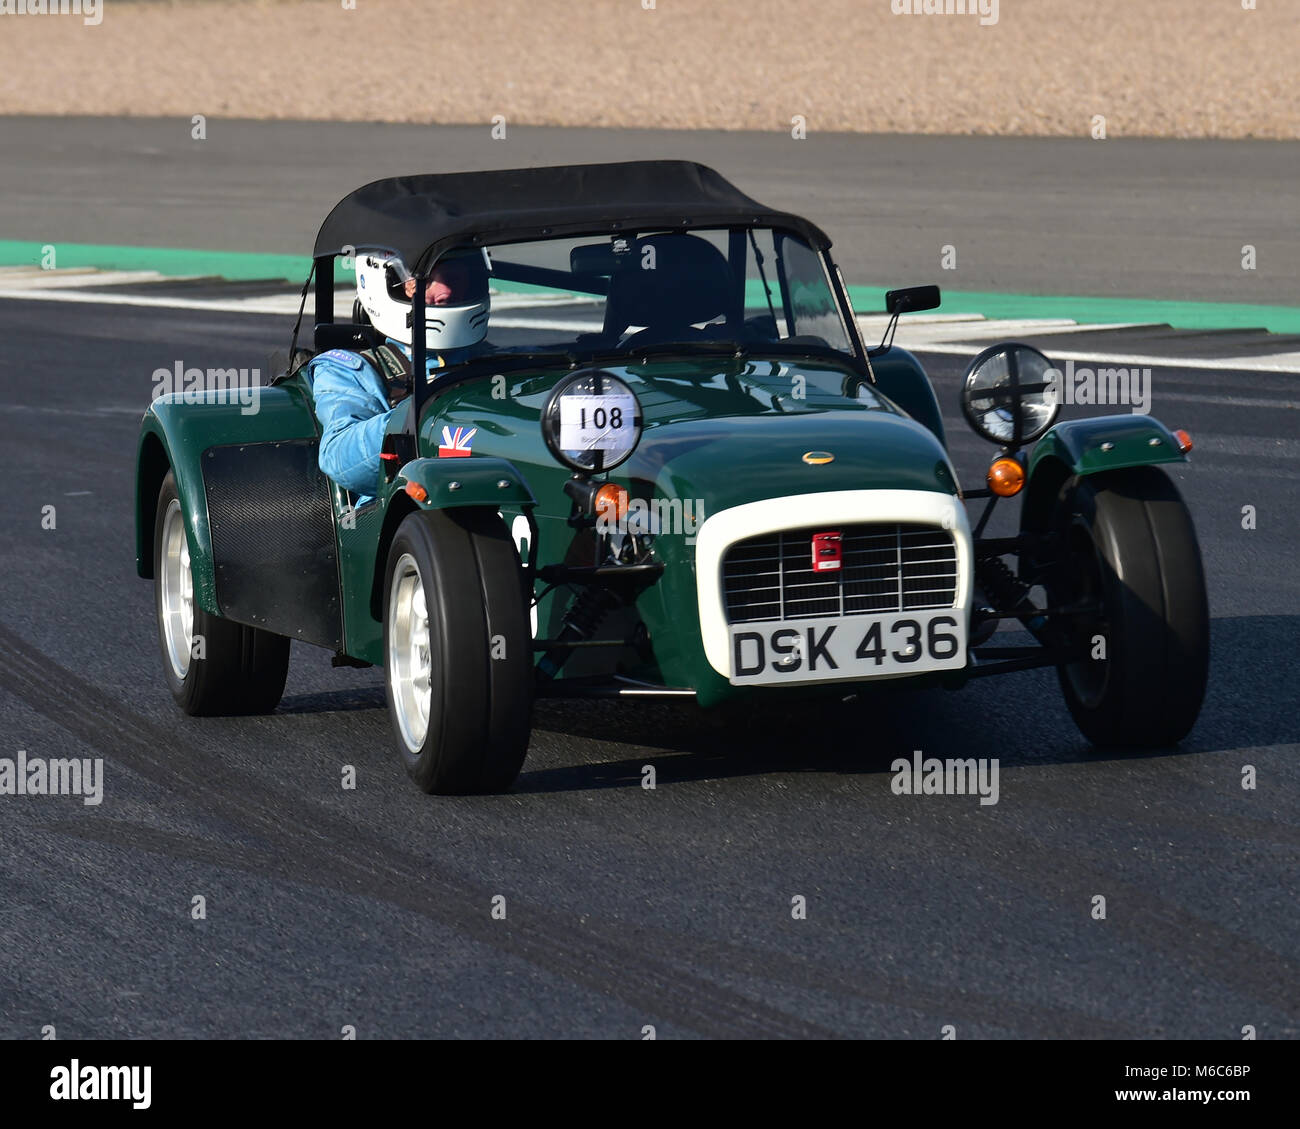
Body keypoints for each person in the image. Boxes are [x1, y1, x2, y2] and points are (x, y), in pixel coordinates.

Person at [310, 249, 492, 504]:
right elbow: (338, 460)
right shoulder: (349, 369)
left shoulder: (500, 361)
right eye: (425, 280)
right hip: (405, 513)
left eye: (455, 278)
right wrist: (419, 414)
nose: (445, 292)